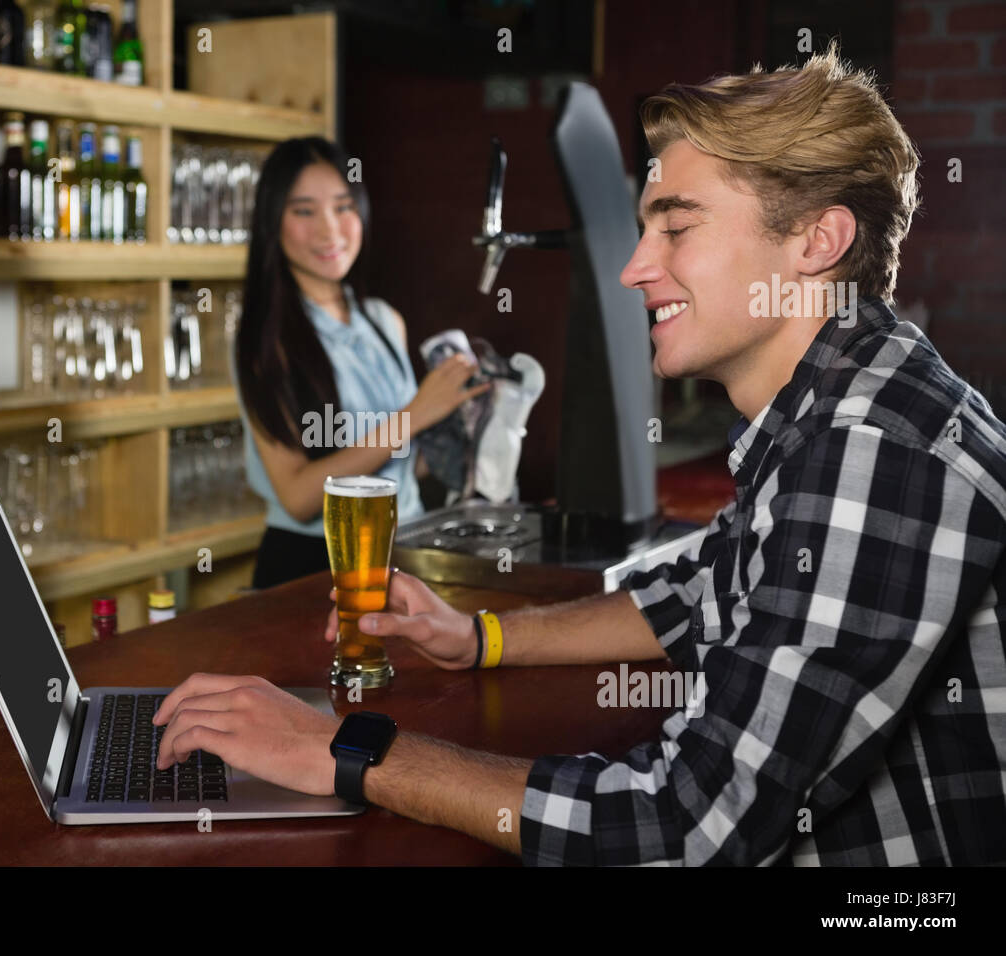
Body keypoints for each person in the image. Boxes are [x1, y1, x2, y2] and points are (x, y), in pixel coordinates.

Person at [153, 43, 1006, 865]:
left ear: (816, 243)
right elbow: (702, 592)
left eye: (675, 227)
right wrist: (478, 637)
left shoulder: (869, 451)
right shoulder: (831, 413)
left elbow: (685, 829)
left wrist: (344, 749)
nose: (635, 268)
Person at [232, 137, 488, 589]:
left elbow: (402, 462)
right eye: (304, 211)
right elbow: (299, 497)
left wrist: (467, 420)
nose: (330, 230)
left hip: (404, 547)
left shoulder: (385, 321)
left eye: (343, 206)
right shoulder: (266, 340)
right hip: (312, 564)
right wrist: (414, 416)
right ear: (272, 222)